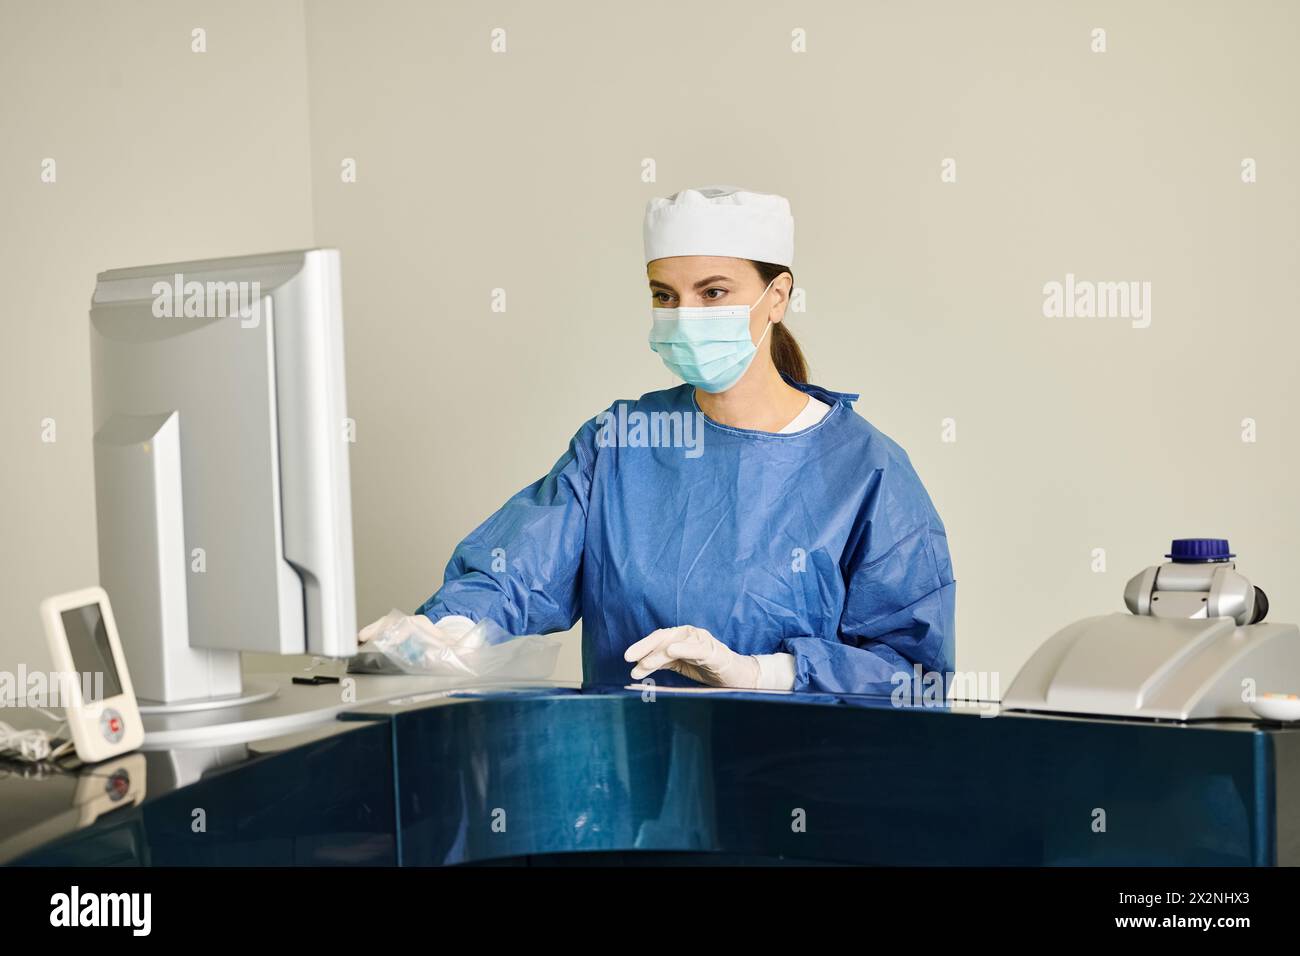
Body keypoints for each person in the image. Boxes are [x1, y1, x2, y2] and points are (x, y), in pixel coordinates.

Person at [361, 185, 956, 694]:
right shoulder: (621, 443)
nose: (684, 315)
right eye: (664, 295)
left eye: (713, 292)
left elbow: (912, 674)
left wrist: (757, 673)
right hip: (633, 782)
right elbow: (517, 571)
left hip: (797, 787)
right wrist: (446, 631)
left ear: (777, 297)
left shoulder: (865, 471)